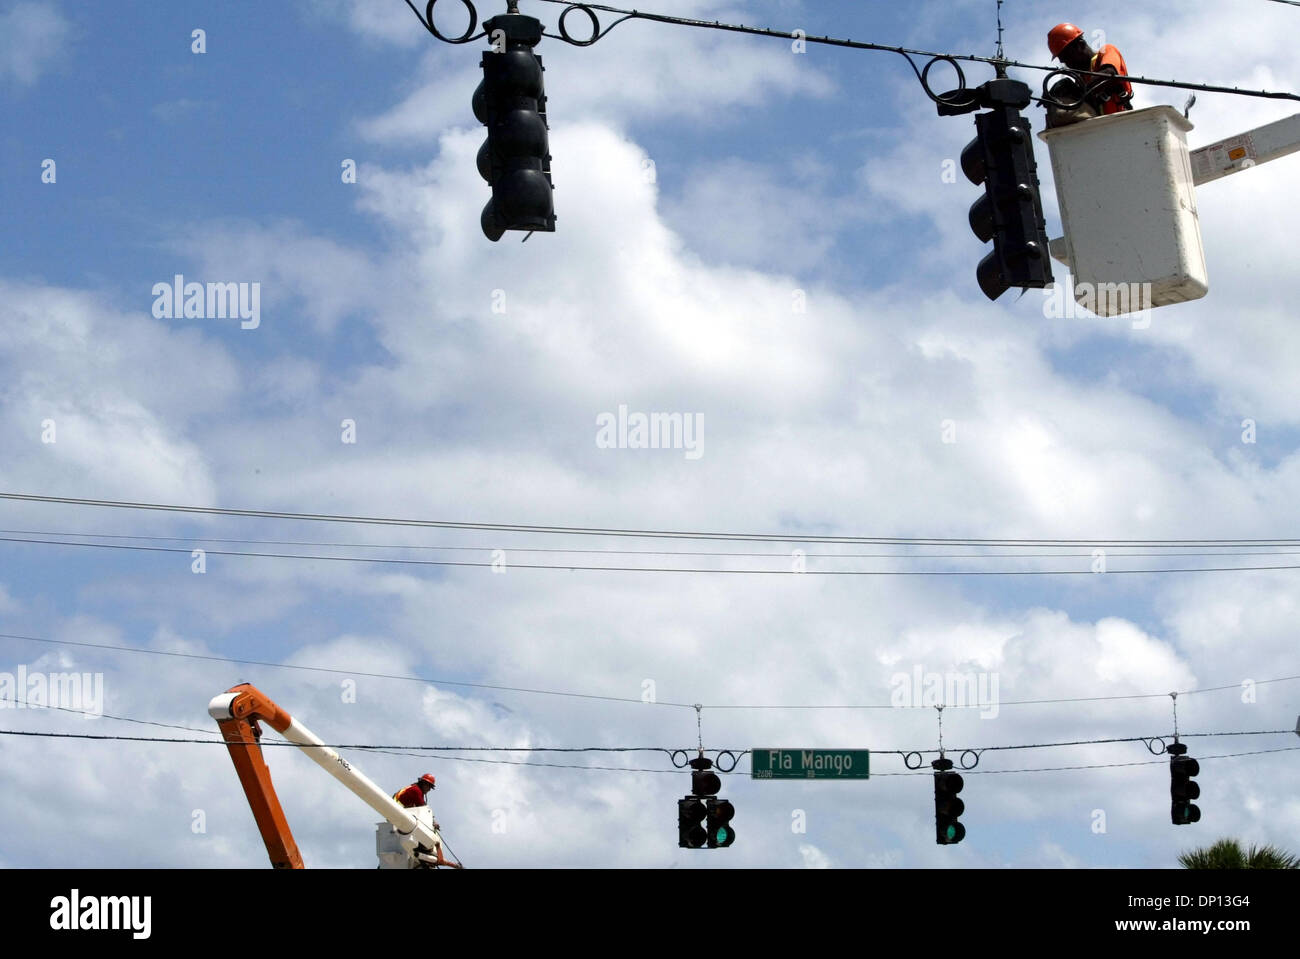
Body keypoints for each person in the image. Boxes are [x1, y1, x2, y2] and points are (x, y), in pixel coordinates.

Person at [1044, 23, 1133, 127]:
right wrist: (1054, 98)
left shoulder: (1106, 52)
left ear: (1080, 45)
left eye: (1067, 56)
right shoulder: (1081, 80)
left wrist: (1076, 92)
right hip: (1100, 129)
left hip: (1123, 123)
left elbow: (1109, 73)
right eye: (1063, 60)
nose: (1066, 63)